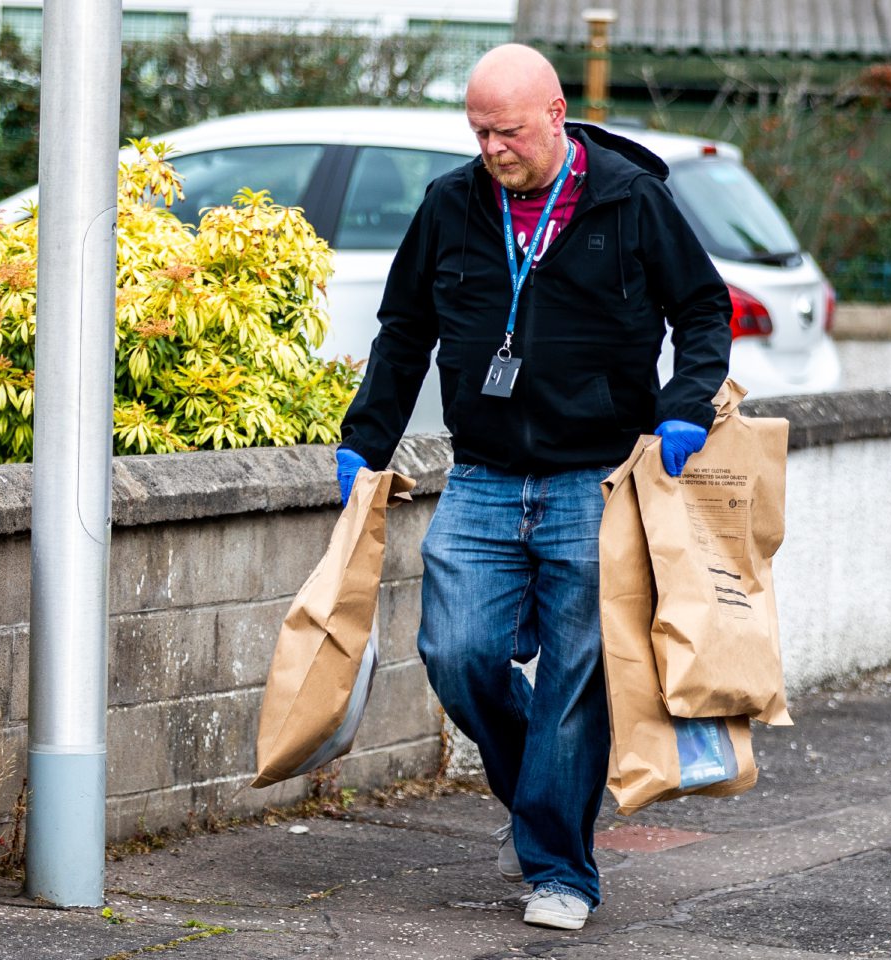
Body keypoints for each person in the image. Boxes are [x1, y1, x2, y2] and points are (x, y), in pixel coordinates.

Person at [335, 44, 731, 931]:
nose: (492, 148)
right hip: (481, 477)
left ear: (555, 114)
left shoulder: (630, 199)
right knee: (456, 653)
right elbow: (403, 332)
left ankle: (560, 871)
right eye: (478, 131)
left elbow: (703, 308)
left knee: (576, 682)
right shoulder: (451, 204)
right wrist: (366, 442)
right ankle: (546, 800)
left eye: (507, 130)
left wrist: (685, 406)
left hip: (594, 482)